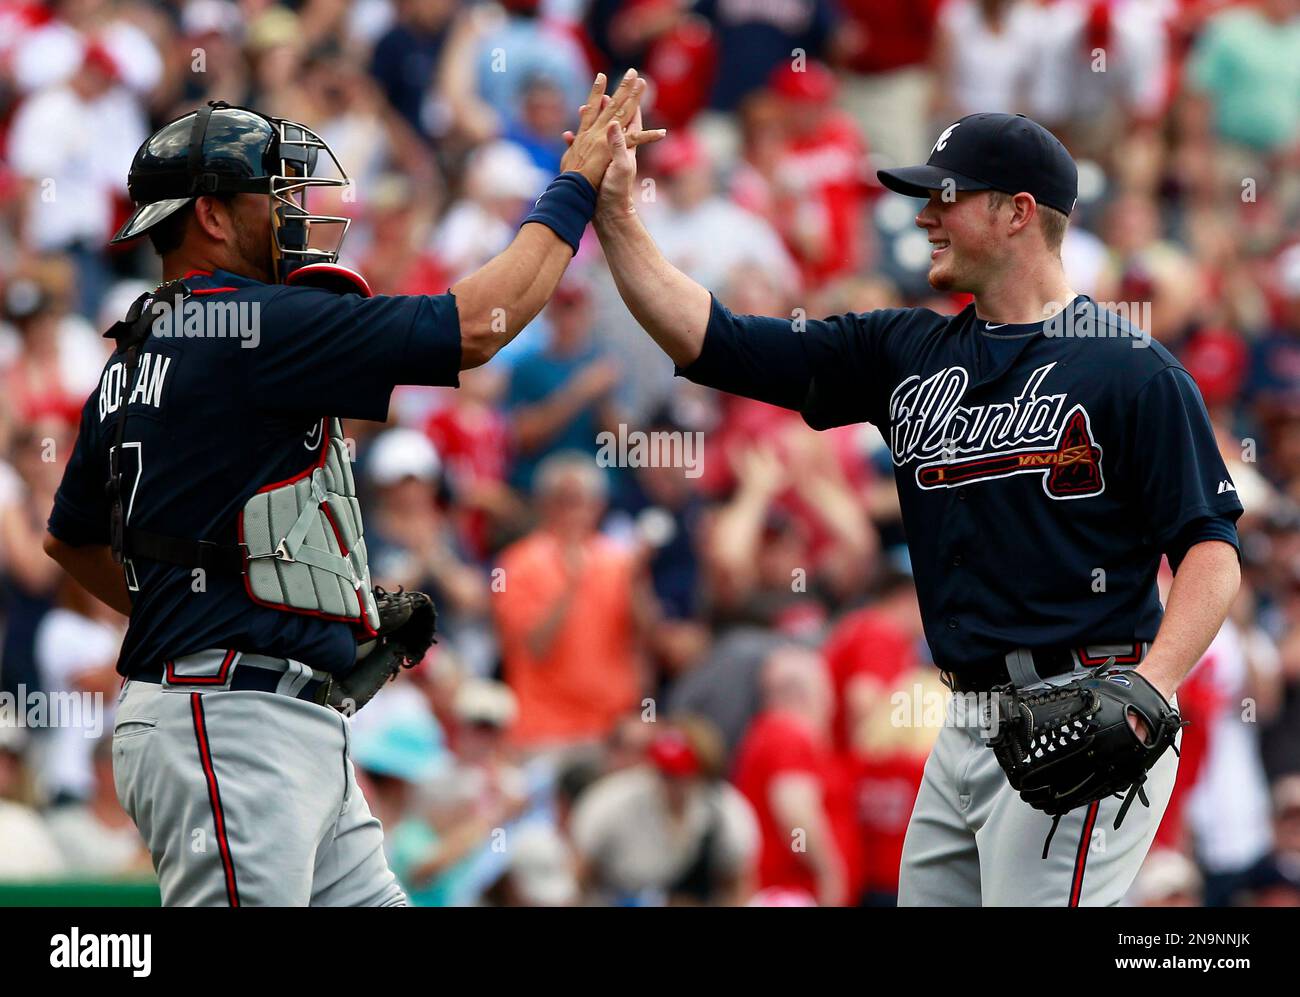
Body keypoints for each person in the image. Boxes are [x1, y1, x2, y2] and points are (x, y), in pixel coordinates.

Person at [589, 108, 1243, 905]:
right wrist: (617, 215)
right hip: (964, 716)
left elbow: (1212, 549)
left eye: (948, 196)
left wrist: (1153, 685)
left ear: (1017, 212)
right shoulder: (903, 350)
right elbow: (714, 340)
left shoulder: (1132, 371)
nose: (925, 215)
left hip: (1085, 707)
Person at [41, 73, 659, 907]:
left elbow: (71, 541)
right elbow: (481, 324)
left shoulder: (138, 353)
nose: (294, 212)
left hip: (270, 717)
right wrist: (576, 184)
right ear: (212, 215)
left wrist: (269, 608)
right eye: (272, 193)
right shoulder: (251, 324)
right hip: (228, 719)